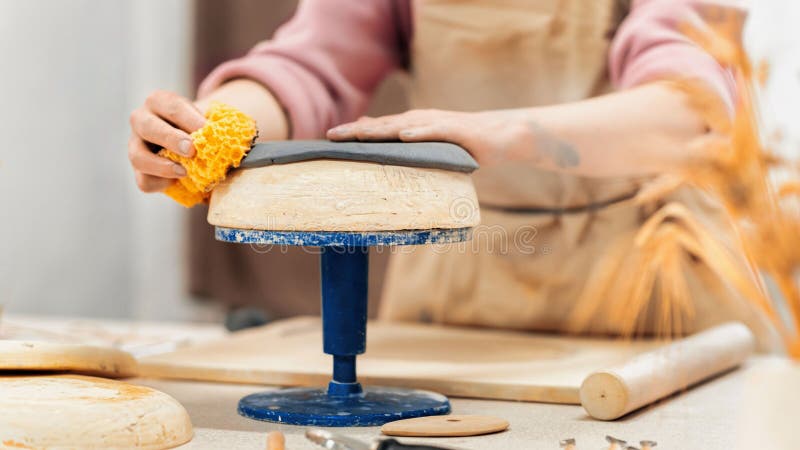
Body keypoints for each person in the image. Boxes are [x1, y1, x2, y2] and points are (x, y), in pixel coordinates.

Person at [128, 0, 780, 350]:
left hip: (651, 276)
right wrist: (210, 127)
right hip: (462, 273)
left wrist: (507, 134)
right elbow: (310, 67)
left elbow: (692, 111)